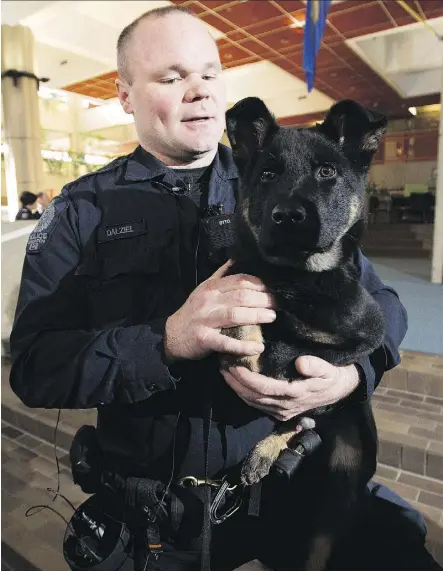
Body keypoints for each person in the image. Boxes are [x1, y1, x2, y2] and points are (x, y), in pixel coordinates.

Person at [9, 6, 439, 571]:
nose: (199, 92)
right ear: (124, 95)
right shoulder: (81, 211)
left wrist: (348, 378)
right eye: (171, 77)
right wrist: (165, 341)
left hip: (293, 480)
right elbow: (35, 366)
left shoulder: (282, 179)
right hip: (162, 514)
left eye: (209, 74)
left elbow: (383, 306)